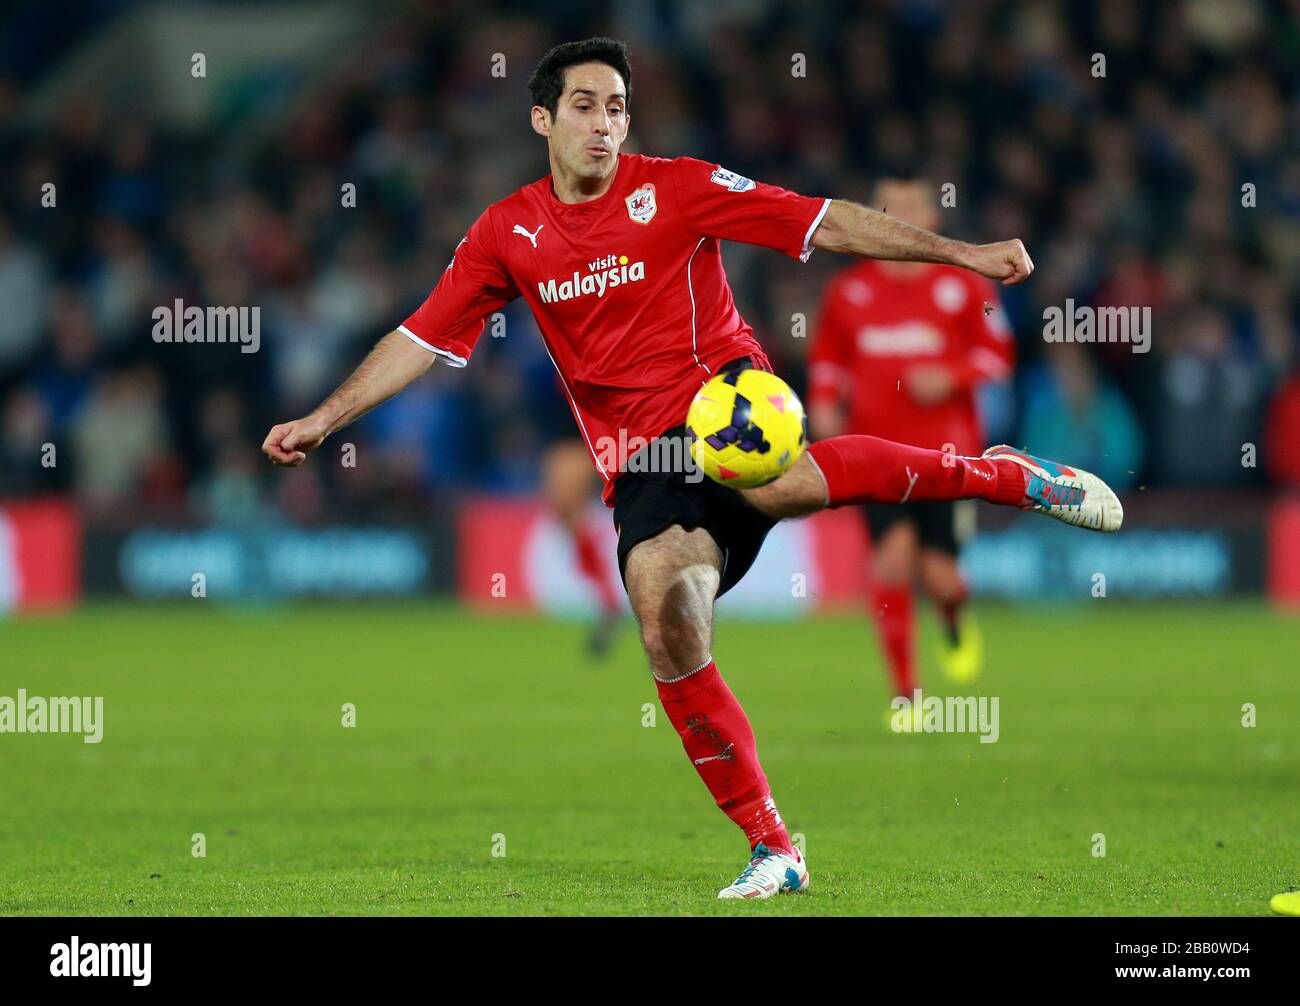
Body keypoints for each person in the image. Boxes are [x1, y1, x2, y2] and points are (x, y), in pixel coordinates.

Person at [262, 38, 1122, 900]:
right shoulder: (507, 232)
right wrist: (323, 419)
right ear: (543, 119)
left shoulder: (678, 187)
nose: (605, 124)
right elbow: (421, 336)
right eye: (587, 106)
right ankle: (775, 846)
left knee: (772, 478)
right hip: (638, 464)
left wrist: (964, 254)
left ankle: (1000, 476)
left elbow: (822, 221)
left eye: (618, 108)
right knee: (665, 616)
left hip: (727, 401)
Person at [808, 174, 1016, 706]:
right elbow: (829, 359)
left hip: (947, 456)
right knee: (892, 561)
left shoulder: (968, 287)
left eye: (910, 206)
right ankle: (906, 694)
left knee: (941, 576)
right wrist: (826, 403)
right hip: (875, 452)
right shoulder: (848, 291)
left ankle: (952, 618)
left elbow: (998, 356)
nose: (898, 216)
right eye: (888, 207)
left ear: (933, 217)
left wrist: (950, 375)